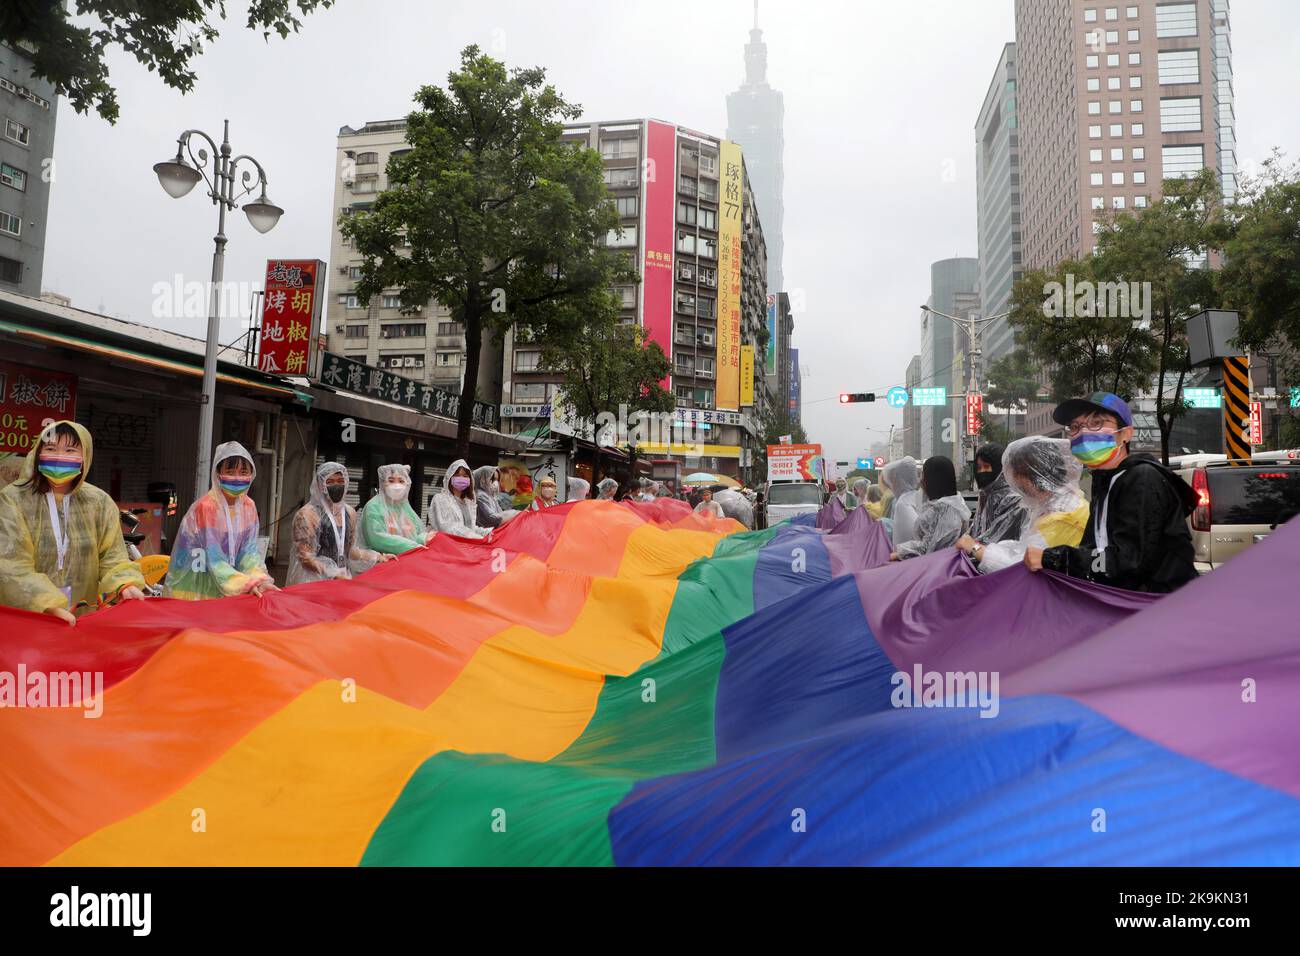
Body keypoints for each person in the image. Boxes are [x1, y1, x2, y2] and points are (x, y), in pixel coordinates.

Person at [1028, 392, 1197, 593]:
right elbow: (1094, 550)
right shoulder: (1105, 482)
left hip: (1158, 607)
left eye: (1097, 422)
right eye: (1075, 427)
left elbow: (1129, 561)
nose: (1083, 432)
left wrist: (1053, 558)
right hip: (1123, 601)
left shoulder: (1142, 478)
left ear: (1126, 434)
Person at [0, 420, 146, 623]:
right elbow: (10, 564)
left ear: (84, 457)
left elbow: (112, 556)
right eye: (51, 448)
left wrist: (124, 584)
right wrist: (47, 604)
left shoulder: (98, 501)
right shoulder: (12, 499)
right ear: (37, 454)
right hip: (29, 618)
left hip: (82, 618)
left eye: (70, 450)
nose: (60, 457)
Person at [955, 436, 1089, 574]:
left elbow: (1021, 565)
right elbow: (1023, 547)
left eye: (1015, 476)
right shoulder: (1052, 506)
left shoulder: (1063, 515)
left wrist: (975, 548)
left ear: (1031, 473)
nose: (1016, 484)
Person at [164, 441, 278, 600]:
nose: (237, 478)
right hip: (194, 587)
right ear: (217, 473)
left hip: (227, 586)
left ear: (252, 474)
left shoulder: (248, 507)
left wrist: (260, 579)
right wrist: (247, 584)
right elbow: (214, 558)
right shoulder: (206, 507)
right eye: (230, 471)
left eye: (243, 472)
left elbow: (249, 552)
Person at [289, 462, 392, 584]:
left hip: (342, 579)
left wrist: (377, 557)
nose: (336, 485)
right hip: (314, 581)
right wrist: (332, 573)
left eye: (340, 481)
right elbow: (305, 556)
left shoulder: (349, 513)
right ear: (320, 485)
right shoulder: (307, 514)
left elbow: (350, 551)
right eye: (330, 482)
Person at [891, 456, 970, 560]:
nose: (921, 480)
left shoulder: (947, 510)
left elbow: (932, 549)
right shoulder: (945, 505)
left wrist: (899, 554)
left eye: (924, 475)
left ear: (933, 478)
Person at [361, 463, 430, 555]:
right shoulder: (373, 506)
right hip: (384, 562)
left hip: (410, 560)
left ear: (407, 484)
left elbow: (418, 532)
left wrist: (425, 538)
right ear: (383, 483)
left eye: (401, 481)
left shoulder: (405, 508)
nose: (396, 485)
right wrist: (412, 547)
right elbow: (376, 538)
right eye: (391, 480)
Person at [969, 442, 1026, 546]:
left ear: (1001, 468)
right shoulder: (984, 497)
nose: (982, 472)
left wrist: (971, 546)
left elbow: (997, 537)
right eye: (979, 468)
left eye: (986, 467)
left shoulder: (1014, 500)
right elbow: (975, 531)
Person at [429, 459, 489, 538]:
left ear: (470, 479)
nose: (461, 478)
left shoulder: (468, 502)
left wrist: (488, 532)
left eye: (465, 476)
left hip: (465, 545)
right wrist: (472, 536)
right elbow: (447, 527)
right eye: (457, 475)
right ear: (450, 477)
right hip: (447, 546)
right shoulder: (440, 499)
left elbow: (471, 528)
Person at [881, 457, 922, 543]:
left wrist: (883, 524)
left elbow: (903, 534)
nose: (890, 485)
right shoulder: (918, 496)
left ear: (895, 478)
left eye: (890, 480)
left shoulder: (902, 503)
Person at [474, 464, 519, 529]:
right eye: (492, 479)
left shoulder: (490, 495)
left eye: (497, 480)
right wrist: (514, 513)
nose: (495, 483)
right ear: (482, 479)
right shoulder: (480, 496)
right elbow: (492, 518)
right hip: (486, 534)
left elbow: (500, 513)